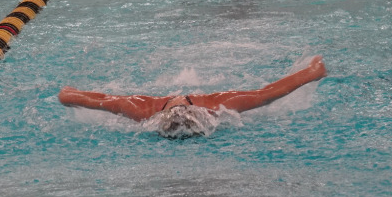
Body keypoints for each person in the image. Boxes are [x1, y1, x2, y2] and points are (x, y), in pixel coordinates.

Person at [58, 56, 327, 136]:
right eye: (183, 105)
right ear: (198, 110)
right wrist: (311, 72)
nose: (178, 100)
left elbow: (100, 100)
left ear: (161, 114)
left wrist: (69, 95)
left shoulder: (142, 110)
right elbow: (267, 94)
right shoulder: (215, 106)